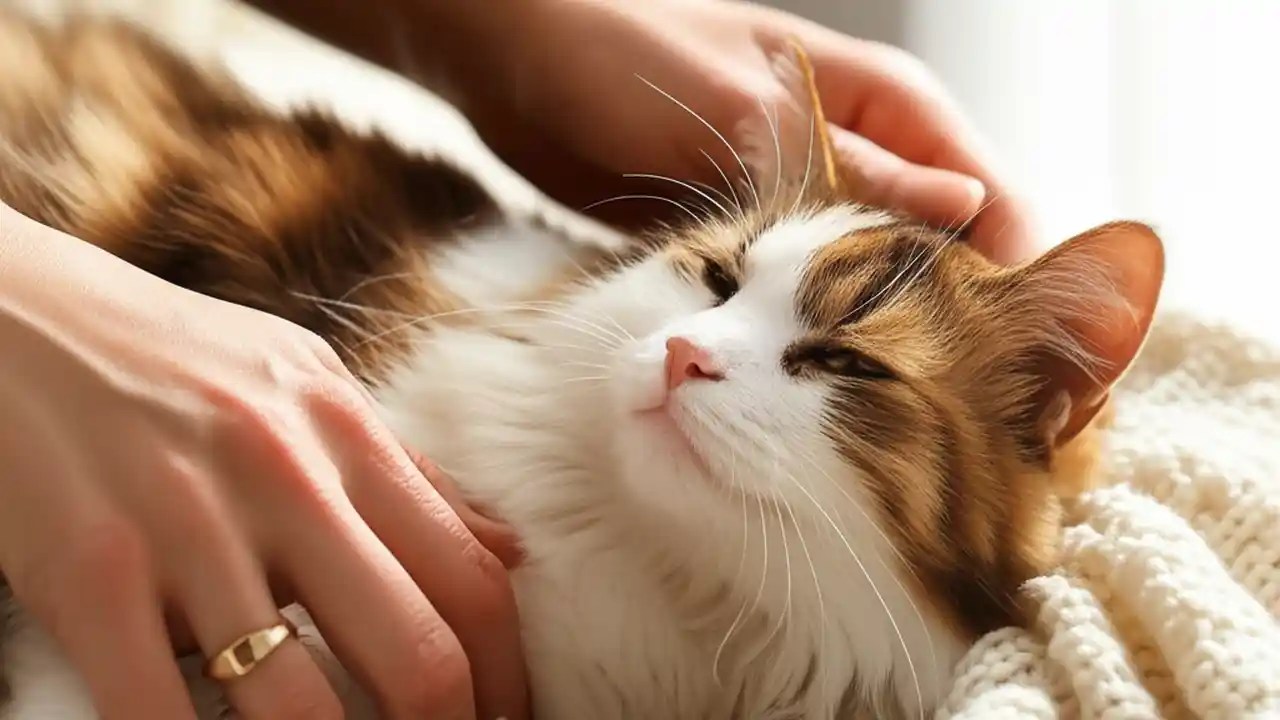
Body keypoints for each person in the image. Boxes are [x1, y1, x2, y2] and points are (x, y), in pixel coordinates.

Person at [0, 1, 1036, 719]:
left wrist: (527, 35)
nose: (695, 350)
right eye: (712, 280)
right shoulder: (467, 417)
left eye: (847, 365)